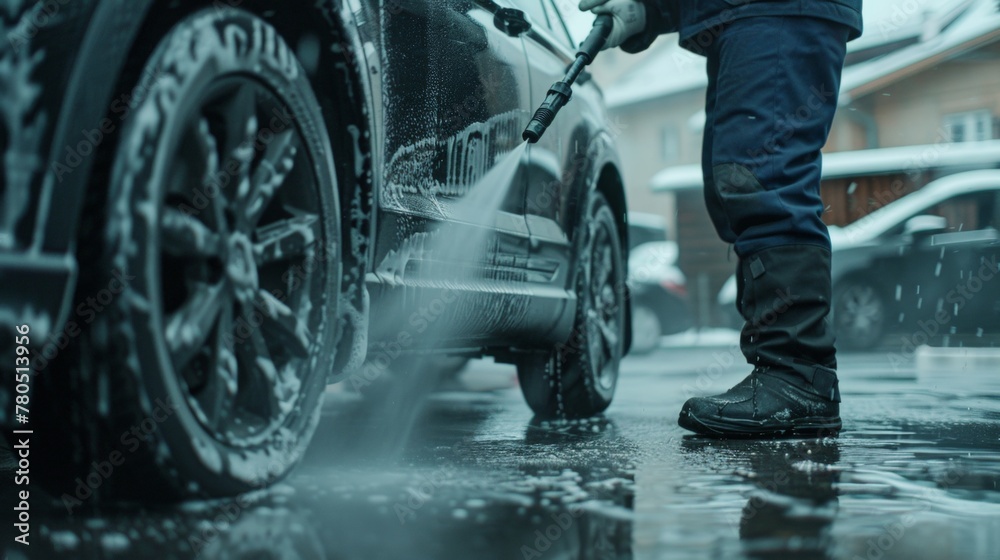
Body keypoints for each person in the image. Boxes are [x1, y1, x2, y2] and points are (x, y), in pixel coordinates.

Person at [579, 0, 863, 437]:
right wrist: (651, 12)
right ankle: (786, 372)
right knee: (735, 188)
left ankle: (798, 379)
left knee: (763, 178)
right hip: (743, 15)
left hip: (779, 10)